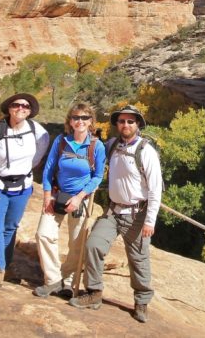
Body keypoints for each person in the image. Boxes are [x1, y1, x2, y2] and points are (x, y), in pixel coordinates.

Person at [70, 105, 163, 323]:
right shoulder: (112, 146)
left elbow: (155, 188)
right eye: (122, 121)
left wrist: (150, 221)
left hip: (136, 215)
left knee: (138, 260)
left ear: (138, 124)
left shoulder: (145, 151)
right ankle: (94, 292)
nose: (126, 125)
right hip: (113, 211)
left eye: (131, 121)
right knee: (93, 245)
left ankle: (141, 302)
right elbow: (95, 162)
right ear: (117, 124)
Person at [0, 93, 50, 289]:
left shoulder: (36, 130)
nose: (21, 109)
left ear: (30, 110)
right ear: (9, 108)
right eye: (16, 105)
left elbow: (41, 150)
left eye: (25, 106)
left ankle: (6, 268)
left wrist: (25, 169)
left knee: (10, 227)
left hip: (22, 187)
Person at [33, 102, 106, 298]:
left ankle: (67, 280)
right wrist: (47, 196)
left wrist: (79, 197)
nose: (79, 121)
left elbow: (98, 176)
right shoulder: (61, 141)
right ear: (70, 121)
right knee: (43, 234)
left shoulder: (95, 146)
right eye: (75, 117)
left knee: (77, 244)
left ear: (91, 121)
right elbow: (48, 170)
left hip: (79, 200)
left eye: (84, 118)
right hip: (57, 194)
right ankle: (53, 280)